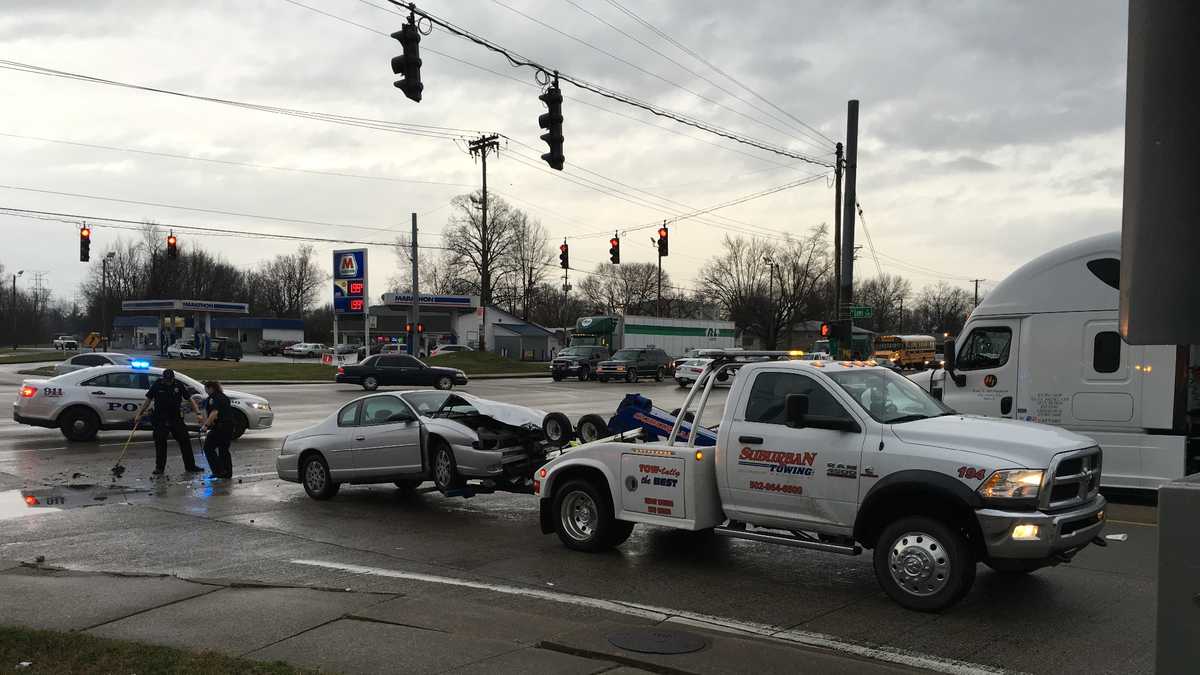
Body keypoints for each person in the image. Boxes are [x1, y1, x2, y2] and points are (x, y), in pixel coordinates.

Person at [134, 368, 204, 476]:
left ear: (173, 378)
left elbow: (190, 399)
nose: (168, 381)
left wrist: (198, 414)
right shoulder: (157, 385)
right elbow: (148, 400)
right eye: (166, 379)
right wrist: (139, 414)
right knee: (160, 443)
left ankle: (190, 466)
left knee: (185, 442)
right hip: (160, 419)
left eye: (170, 380)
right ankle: (159, 468)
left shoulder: (178, 385)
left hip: (176, 418)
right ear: (163, 378)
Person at [200, 380, 236, 480]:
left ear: (210, 388)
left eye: (206, 389)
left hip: (221, 427)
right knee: (224, 449)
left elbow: (214, 413)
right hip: (228, 426)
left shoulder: (214, 398)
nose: (206, 391)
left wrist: (206, 426)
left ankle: (218, 471)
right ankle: (227, 472)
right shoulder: (222, 396)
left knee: (208, 448)